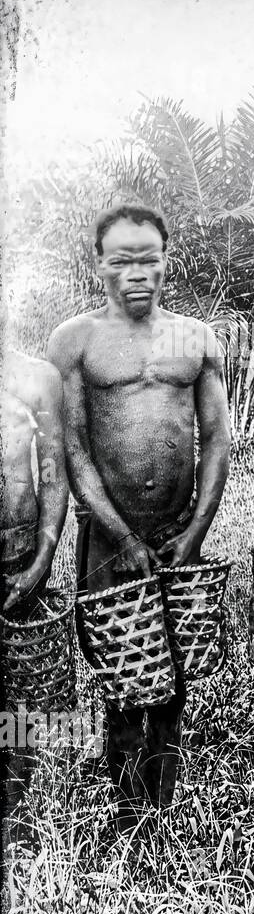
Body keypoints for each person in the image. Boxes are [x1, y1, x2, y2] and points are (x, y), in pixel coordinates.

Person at [47, 203, 231, 829]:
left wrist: (197, 530)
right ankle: (128, 819)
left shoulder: (196, 338)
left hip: (179, 536)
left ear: (165, 262)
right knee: (124, 679)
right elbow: (73, 447)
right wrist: (120, 534)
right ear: (99, 264)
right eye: (121, 260)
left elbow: (218, 440)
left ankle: (161, 813)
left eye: (147, 259)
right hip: (107, 538)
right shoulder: (76, 341)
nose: (136, 273)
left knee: (175, 679)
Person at [1, 348, 69, 823]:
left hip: (17, 553)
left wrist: (42, 560)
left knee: (21, 699)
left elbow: (54, 472)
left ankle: (15, 816)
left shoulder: (36, 379)